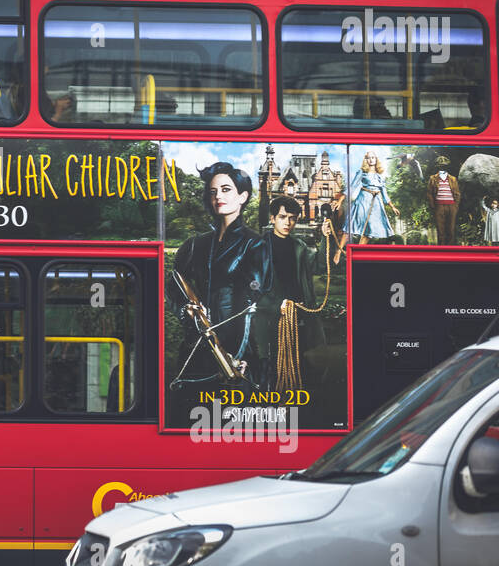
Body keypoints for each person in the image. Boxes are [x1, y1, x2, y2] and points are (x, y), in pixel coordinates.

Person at [164, 162, 271, 384]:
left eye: (225, 189)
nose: (218, 197)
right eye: (213, 192)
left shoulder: (255, 245)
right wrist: (187, 309)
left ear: (242, 197)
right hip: (197, 346)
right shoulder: (194, 245)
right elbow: (174, 285)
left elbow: (261, 305)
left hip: (239, 354)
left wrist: (249, 354)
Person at [253, 196, 331, 389]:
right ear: (272, 218)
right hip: (269, 317)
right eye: (282, 217)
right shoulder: (258, 248)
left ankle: (298, 408)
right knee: (271, 367)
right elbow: (251, 286)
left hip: (296, 315)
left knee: (297, 363)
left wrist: (325, 238)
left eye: (293, 218)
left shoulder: (299, 247)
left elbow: (320, 266)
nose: (288, 222)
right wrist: (274, 303)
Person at [345, 150, 399, 247]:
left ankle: (359, 250)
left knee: (370, 230)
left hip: (377, 203)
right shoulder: (362, 172)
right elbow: (352, 187)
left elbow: (385, 194)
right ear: (366, 160)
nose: (371, 160)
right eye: (368, 158)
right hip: (363, 200)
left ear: (376, 159)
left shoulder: (379, 176)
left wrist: (392, 207)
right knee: (354, 224)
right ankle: (339, 252)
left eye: (373, 157)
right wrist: (341, 199)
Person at [426, 155, 461, 245]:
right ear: (437, 166)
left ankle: (451, 252)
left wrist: (455, 206)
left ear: (447, 166)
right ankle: (441, 251)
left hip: (451, 206)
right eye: (440, 165)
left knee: (451, 229)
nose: (442, 167)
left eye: (444, 165)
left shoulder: (453, 179)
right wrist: (433, 206)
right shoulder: (432, 178)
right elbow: (429, 193)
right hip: (439, 207)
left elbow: (457, 194)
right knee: (440, 230)